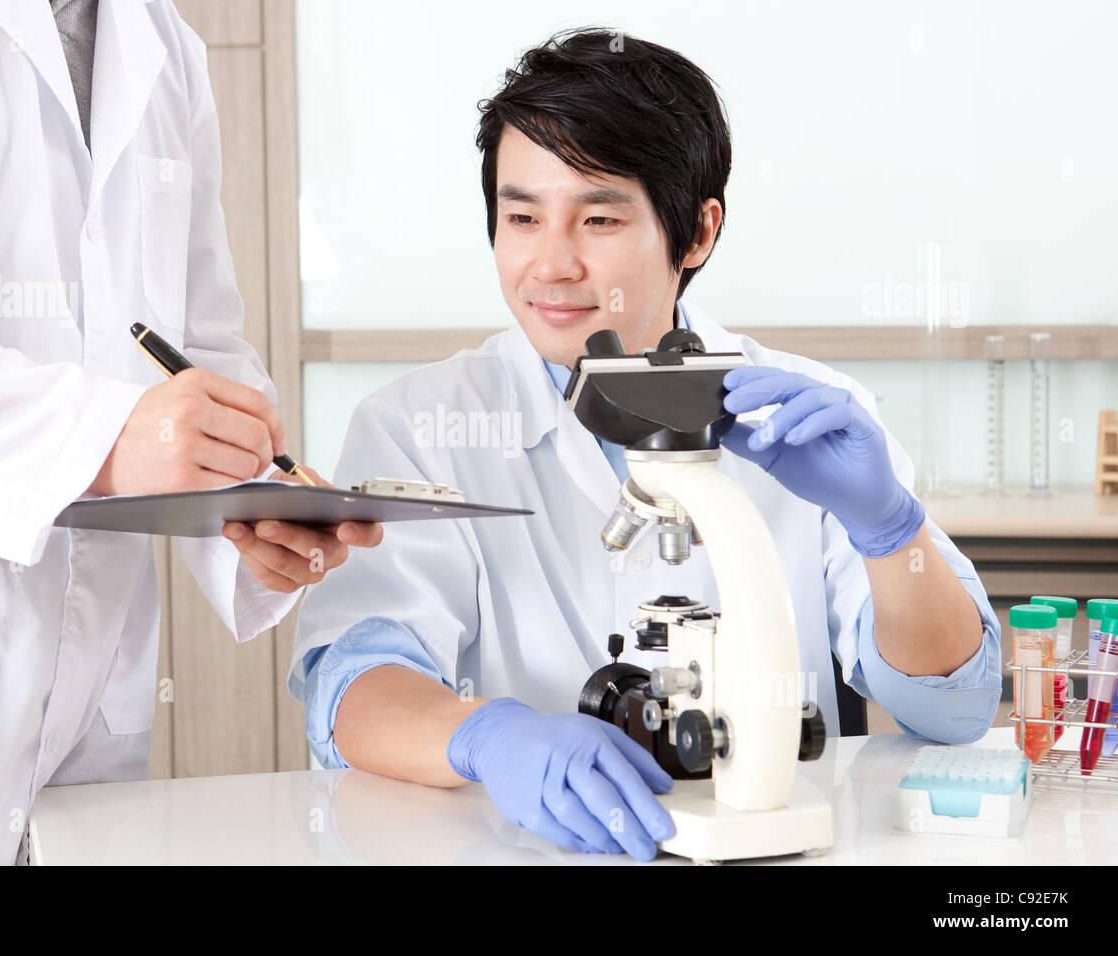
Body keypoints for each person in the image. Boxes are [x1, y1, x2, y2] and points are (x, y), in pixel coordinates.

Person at [289, 29, 1001, 862]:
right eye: (521, 216)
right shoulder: (421, 424)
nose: (550, 264)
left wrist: (890, 530)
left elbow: (954, 709)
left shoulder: (814, 412)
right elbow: (351, 688)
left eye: (597, 217)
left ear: (697, 233)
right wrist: (487, 736)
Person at [0, 0, 379, 864]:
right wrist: (103, 441)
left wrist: (250, 505)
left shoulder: (164, 45)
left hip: (91, 701)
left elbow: (194, 342)